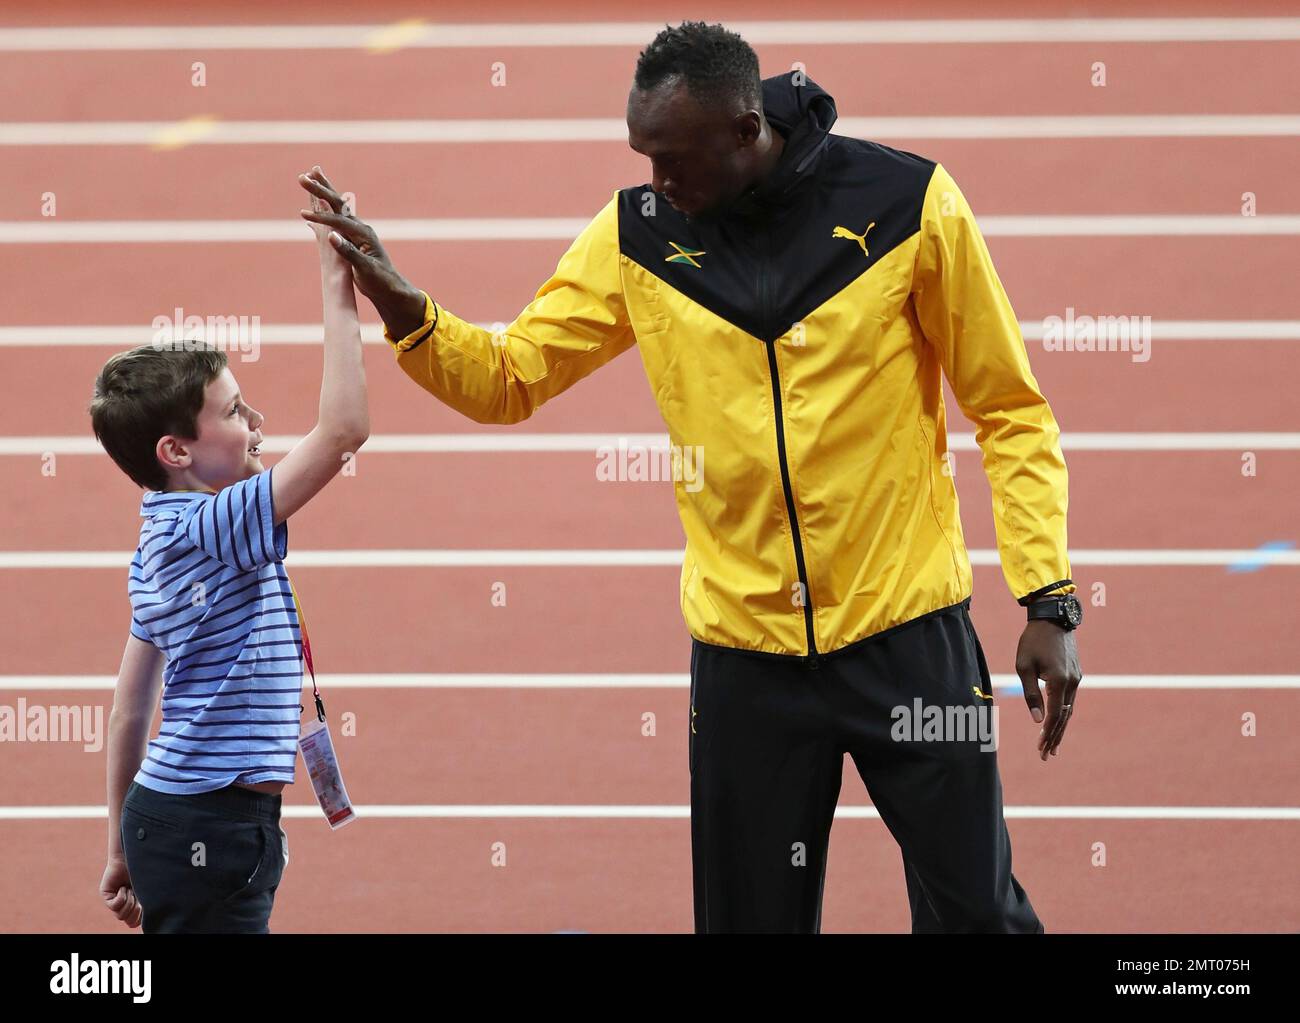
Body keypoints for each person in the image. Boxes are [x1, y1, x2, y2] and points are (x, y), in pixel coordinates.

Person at [298, 21, 1083, 934]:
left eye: (674, 161)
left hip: (909, 640)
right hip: (747, 662)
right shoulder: (637, 237)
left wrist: (1047, 598)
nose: (657, 183)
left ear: (746, 130)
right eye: (644, 158)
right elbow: (511, 377)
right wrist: (407, 309)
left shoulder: (907, 203)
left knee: (979, 915)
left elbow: (1010, 408)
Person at [92, 196, 368, 932]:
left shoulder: (160, 538)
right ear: (175, 452)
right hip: (209, 829)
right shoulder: (216, 524)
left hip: (176, 821)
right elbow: (344, 430)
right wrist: (335, 276)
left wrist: (120, 841)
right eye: (236, 411)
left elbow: (129, 708)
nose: (257, 424)